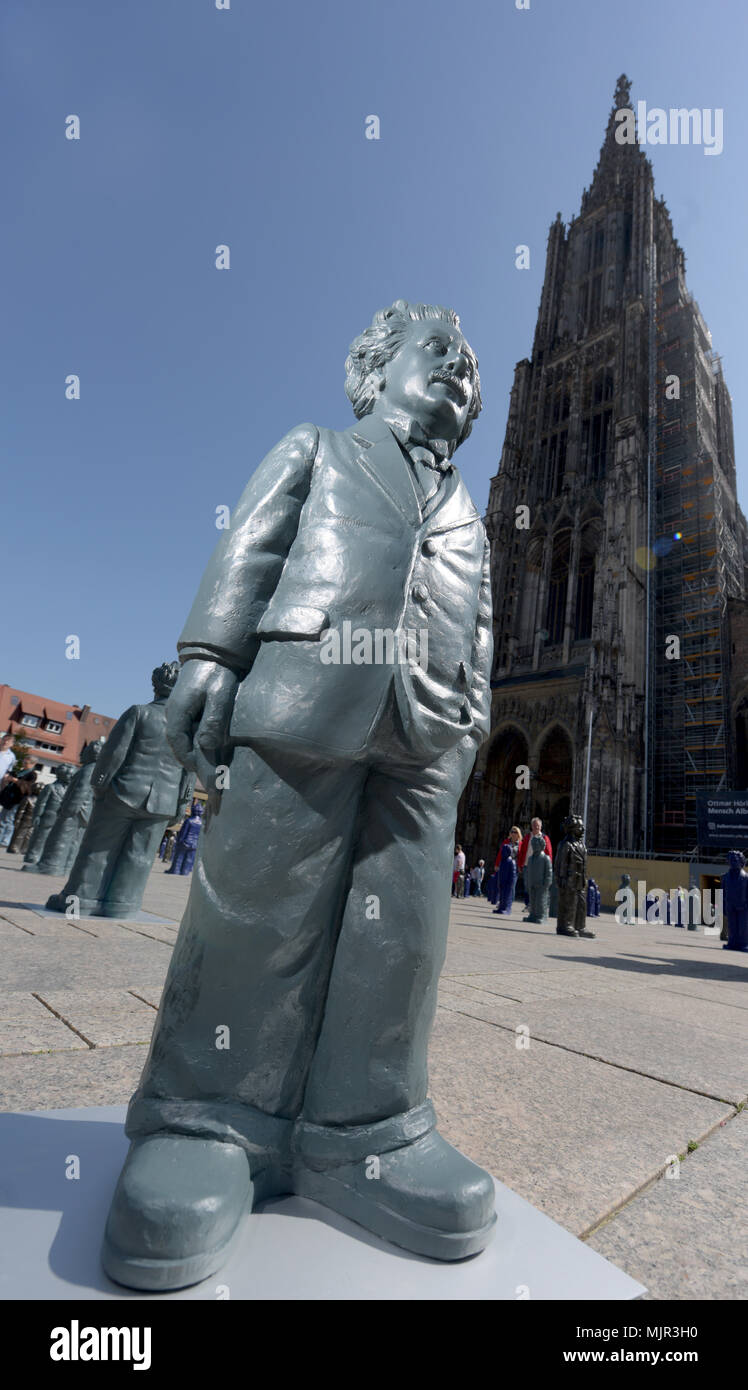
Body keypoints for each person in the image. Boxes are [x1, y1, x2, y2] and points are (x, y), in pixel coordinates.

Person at [103, 298, 496, 1289]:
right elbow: (253, 547)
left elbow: (480, 626)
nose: (458, 368)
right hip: (303, 690)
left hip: (423, 734)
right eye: (435, 352)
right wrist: (206, 654)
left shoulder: (468, 515)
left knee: (402, 933)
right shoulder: (319, 447)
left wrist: (473, 726)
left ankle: (367, 1127)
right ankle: (208, 1117)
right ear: (375, 370)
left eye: (472, 366)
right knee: (257, 905)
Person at [166, 803, 203, 876]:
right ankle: (185, 872)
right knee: (189, 859)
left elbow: (183, 832)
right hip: (194, 844)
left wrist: (179, 841)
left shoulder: (189, 821)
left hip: (185, 842)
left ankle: (175, 871)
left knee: (179, 857)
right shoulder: (201, 823)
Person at [6, 780, 40, 855]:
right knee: (24, 834)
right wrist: (17, 819)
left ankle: (18, 848)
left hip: (27, 819)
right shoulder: (34, 800)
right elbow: (21, 810)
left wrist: (17, 819)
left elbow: (21, 810)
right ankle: (17, 848)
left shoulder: (29, 799)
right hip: (28, 819)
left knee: (22, 834)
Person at [525, 833, 553, 923]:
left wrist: (547, 884)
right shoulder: (530, 859)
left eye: (536, 844)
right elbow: (528, 872)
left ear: (541, 845)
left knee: (541, 901)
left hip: (541, 885)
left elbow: (549, 872)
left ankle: (542, 916)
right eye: (533, 845)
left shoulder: (545, 858)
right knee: (532, 901)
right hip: (532, 883)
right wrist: (528, 883)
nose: (534, 846)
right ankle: (532, 915)